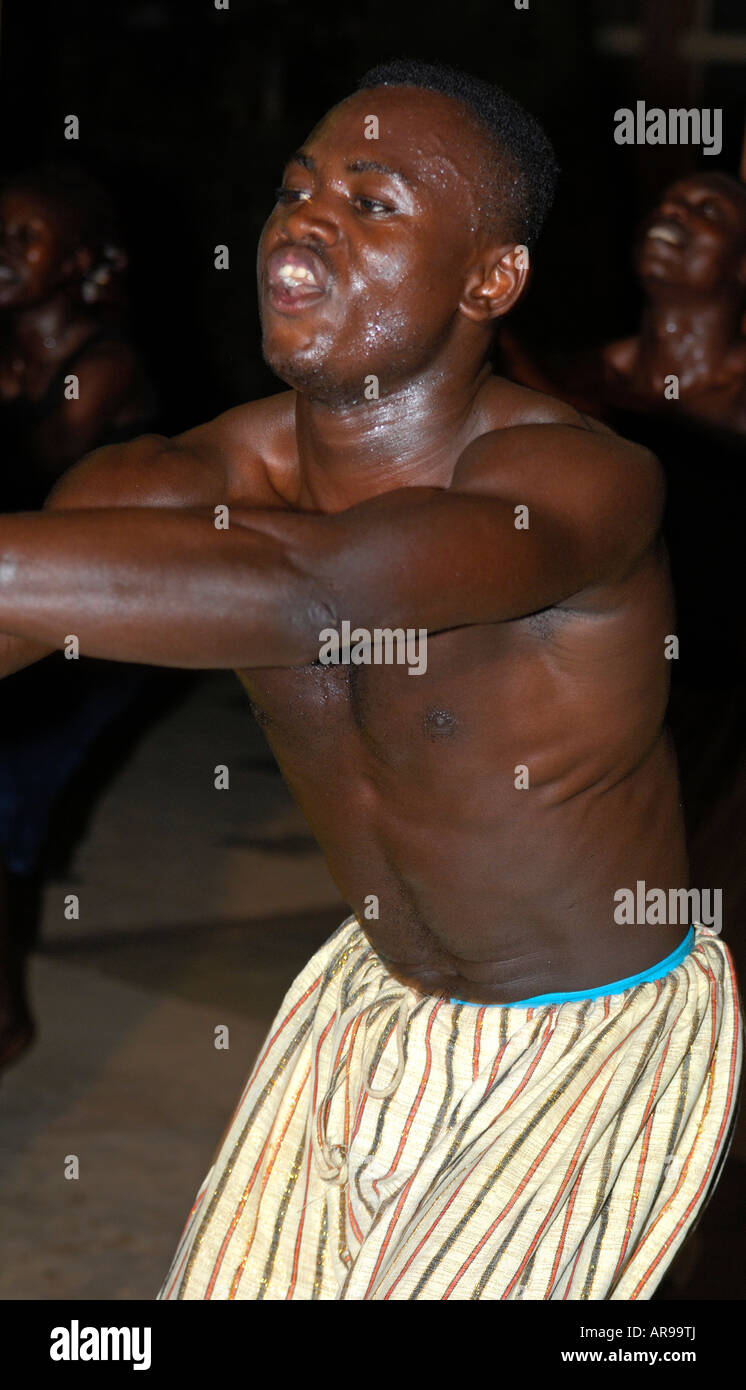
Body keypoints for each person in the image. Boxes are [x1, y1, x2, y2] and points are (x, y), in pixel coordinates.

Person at [0, 61, 740, 1300]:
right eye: (295, 189)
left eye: (373, 200)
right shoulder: (179, 478)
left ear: (487, 280)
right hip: (366, 1002)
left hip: (583, 1042)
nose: (306, 217)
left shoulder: (578, 482)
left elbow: (319, 594)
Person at [0, 166, 158, 1068]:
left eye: (26, 236)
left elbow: (37, 495)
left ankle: (7, 1016)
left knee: (9, 789)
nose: (3, 252)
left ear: (84, 266)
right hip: (27, 607)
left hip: (102, 631)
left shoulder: (96, 368)